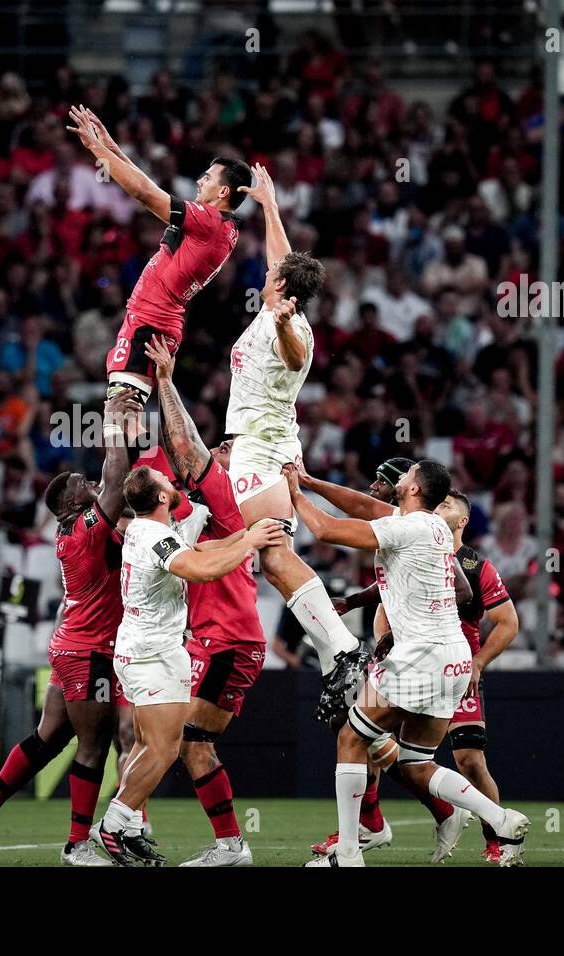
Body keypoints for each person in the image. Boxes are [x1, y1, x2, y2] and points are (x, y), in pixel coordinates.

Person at [287, 460, 529, 867]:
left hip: (420, 656)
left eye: (405, 474)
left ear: (415, 489)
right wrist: (310, 481)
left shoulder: (409, 527)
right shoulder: (434, 526)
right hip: (453, 656)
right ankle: (500, 817)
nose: (397, 480)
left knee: (350, 735)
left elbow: (327, 530)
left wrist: (295, 494)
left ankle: (349, 852)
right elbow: (363, 506)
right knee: (416, 763)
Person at [0, 391, 143, 866]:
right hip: (90, 650)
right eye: (83, 484)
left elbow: (112, 486)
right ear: (68, 504)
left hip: (71, 645)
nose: (91, 483)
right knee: (94, 747)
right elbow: (117, 482)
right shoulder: (84, 529)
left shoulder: (77, 529)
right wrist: (114, 426)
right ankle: (77, 845)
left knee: (50, 737)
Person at [218, 163, 366, 722]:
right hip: (254, 445)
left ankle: (341, 647)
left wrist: (281, 321)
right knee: (258, 550)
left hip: (265, 449)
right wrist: (269, 204)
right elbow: (278, 256)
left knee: (275, 553)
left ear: (282, 290)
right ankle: (335, 650)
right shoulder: (274, 301)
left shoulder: (293, 326)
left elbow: (296, 356)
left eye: (274, 279)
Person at [94, 466, 283, 866]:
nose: (173, 484)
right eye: (166, 483)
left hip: (143, 650)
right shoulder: (157, 536)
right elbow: (201, 571)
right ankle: (112, 823)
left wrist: (248, 537)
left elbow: (200, 552)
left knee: (147, 745)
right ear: (162, 498)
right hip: (153, 655)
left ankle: (125, 827)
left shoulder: (148, 531)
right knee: (165, 749)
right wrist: (248, 542)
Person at [145, 338, 265, 866]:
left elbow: (188, 447)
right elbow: (178, 456)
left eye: (228, 450)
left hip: (230, 642)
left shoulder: (228, 499)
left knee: (185, 740)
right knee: (172, 735)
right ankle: (134, 823)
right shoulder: (211, 510)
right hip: (213, 642)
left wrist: (166, 382)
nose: (219, 451)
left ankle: (227, 845)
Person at [64, 104, 248, 405]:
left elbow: (146, 195)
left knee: (120, 421)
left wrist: (95, 149)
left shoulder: (209, 220)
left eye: (208, 177)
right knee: (122, 422)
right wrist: (110, 145)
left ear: (224, 192)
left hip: (150, 322)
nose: (200, 181)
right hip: (153, 320)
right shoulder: (220, 227)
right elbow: (148, 186)